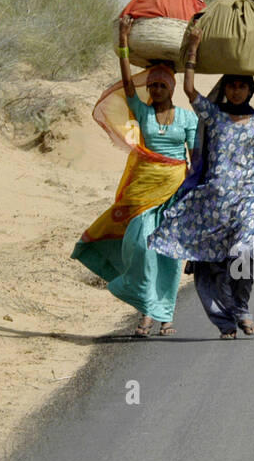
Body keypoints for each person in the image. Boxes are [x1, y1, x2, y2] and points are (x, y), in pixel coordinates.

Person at [147, 27, 254, 338]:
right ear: (226, 89)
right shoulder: (213, 115)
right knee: (210, 266)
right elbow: (190, 90)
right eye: (232, 86)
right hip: (211, 204)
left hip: (247, 201)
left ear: (250, 90)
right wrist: (193, 49)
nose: (236, 91)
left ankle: (243, 309)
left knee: (244, 254)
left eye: (241, 86)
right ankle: (225, 322)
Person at [72, 17, 198, 336]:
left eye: (162, 85)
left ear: (171, 87)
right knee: (140, 247)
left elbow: (195, 158)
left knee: (168, 254)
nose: (156, 89)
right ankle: (145, 308)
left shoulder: (186, 118)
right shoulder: (142, 112)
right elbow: (128, 85)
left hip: (175, 189)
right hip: (143, 190)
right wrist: (123, 43)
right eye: (152, 85)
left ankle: (164, 314)